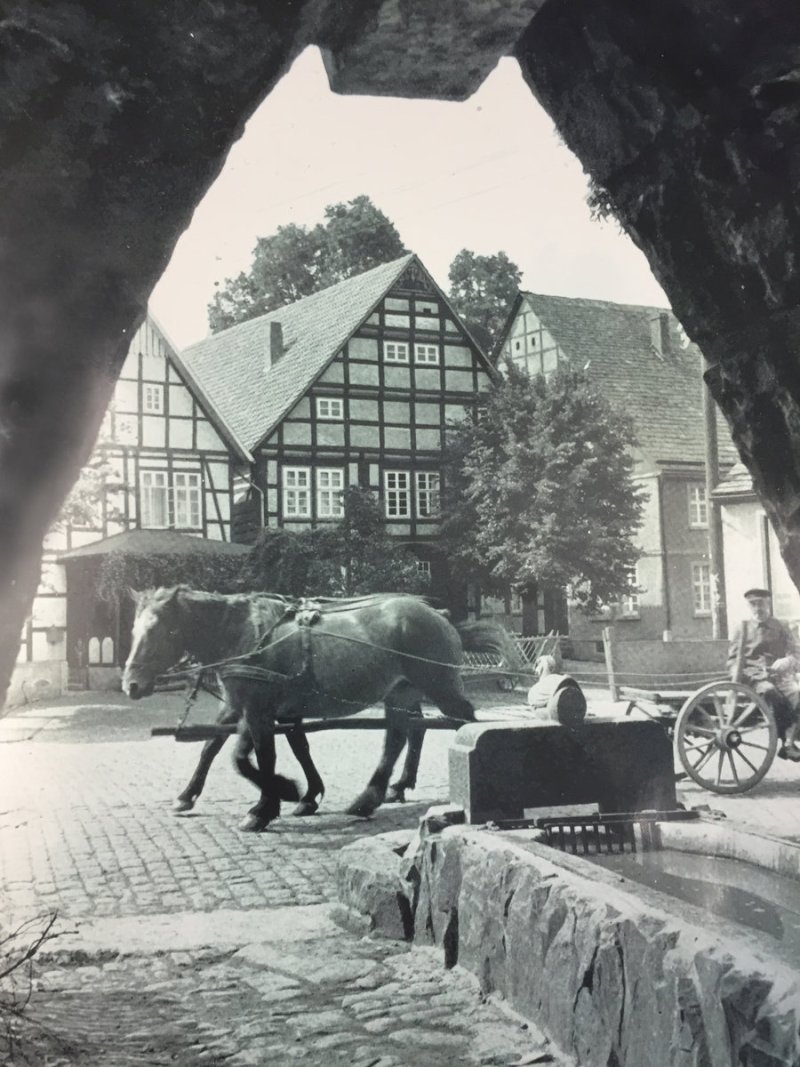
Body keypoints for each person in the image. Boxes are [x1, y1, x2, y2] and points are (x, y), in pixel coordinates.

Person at [728, 587, 800, 760]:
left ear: (768, 603)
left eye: (760, 603)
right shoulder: (742, 629)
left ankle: (789, 742)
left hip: (779, 676)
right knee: (768, 690)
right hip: (753, 678)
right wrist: (740, 677)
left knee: (796, 693)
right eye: (752, 604)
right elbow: (732, 660)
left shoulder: (781, 626)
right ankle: (783, 737)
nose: (757, 608)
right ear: (748, 606)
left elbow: (795, 653)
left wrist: (787, 661)